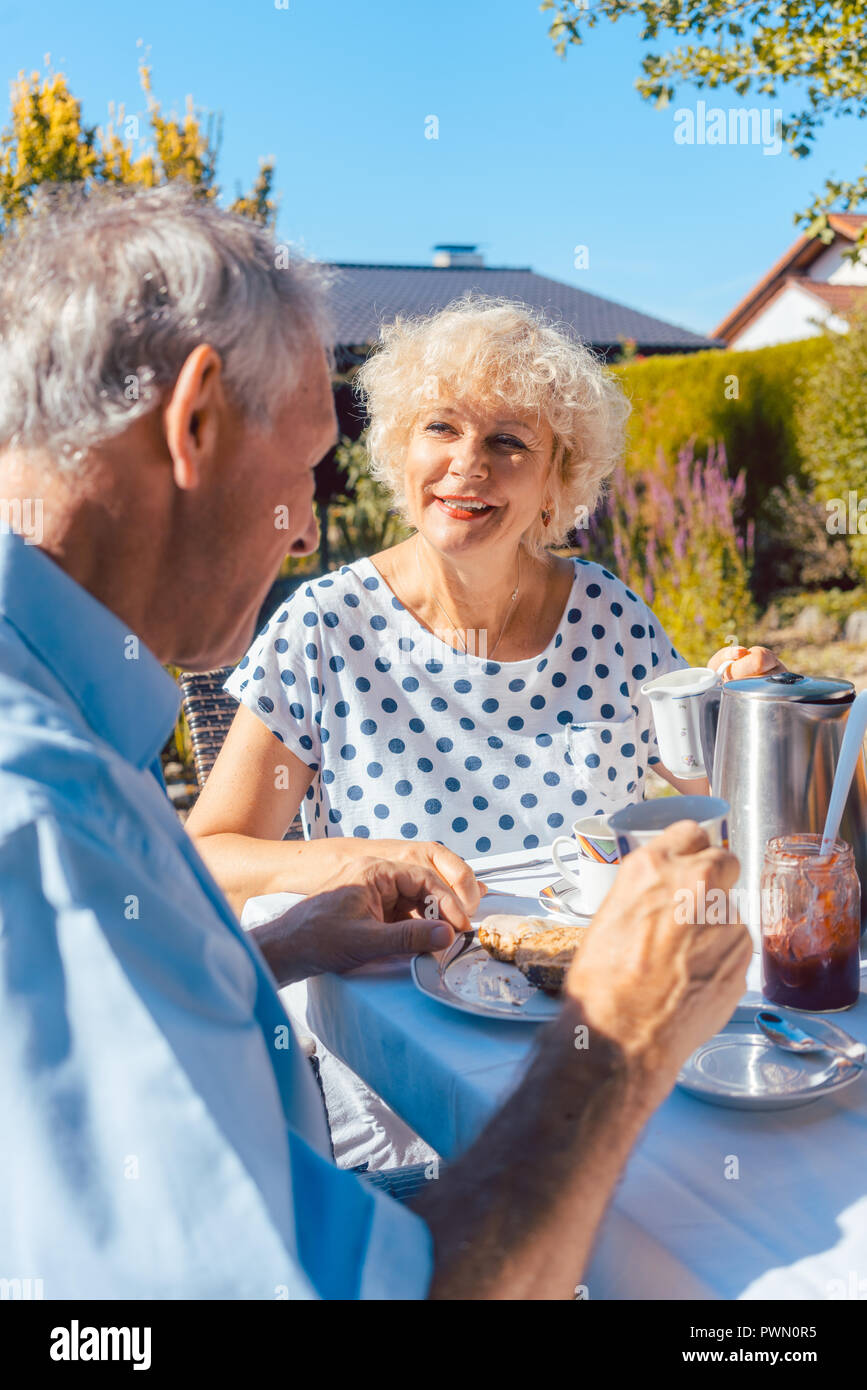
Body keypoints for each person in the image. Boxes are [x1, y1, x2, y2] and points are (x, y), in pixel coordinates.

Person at [0, 184, 751, 1299]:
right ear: (195, 420)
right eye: (308, 463)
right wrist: (620, 1033)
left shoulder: (64, 743)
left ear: (557, 480)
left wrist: (283, 943)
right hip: (415, 1140)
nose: (307, 524)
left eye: (509, 442)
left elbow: (117, 1009)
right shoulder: (46, 814)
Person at [187, 296, 782, 903]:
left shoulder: (610, 617)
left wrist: (778, 724)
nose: (468, 464)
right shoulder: (325, 626)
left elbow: (753, 812)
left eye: (508, 441)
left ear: (556, 478)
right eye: (441, 427)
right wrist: (363, 861)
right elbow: (207, 859)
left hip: (584, 986)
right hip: (396, 986)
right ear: (401, 447)